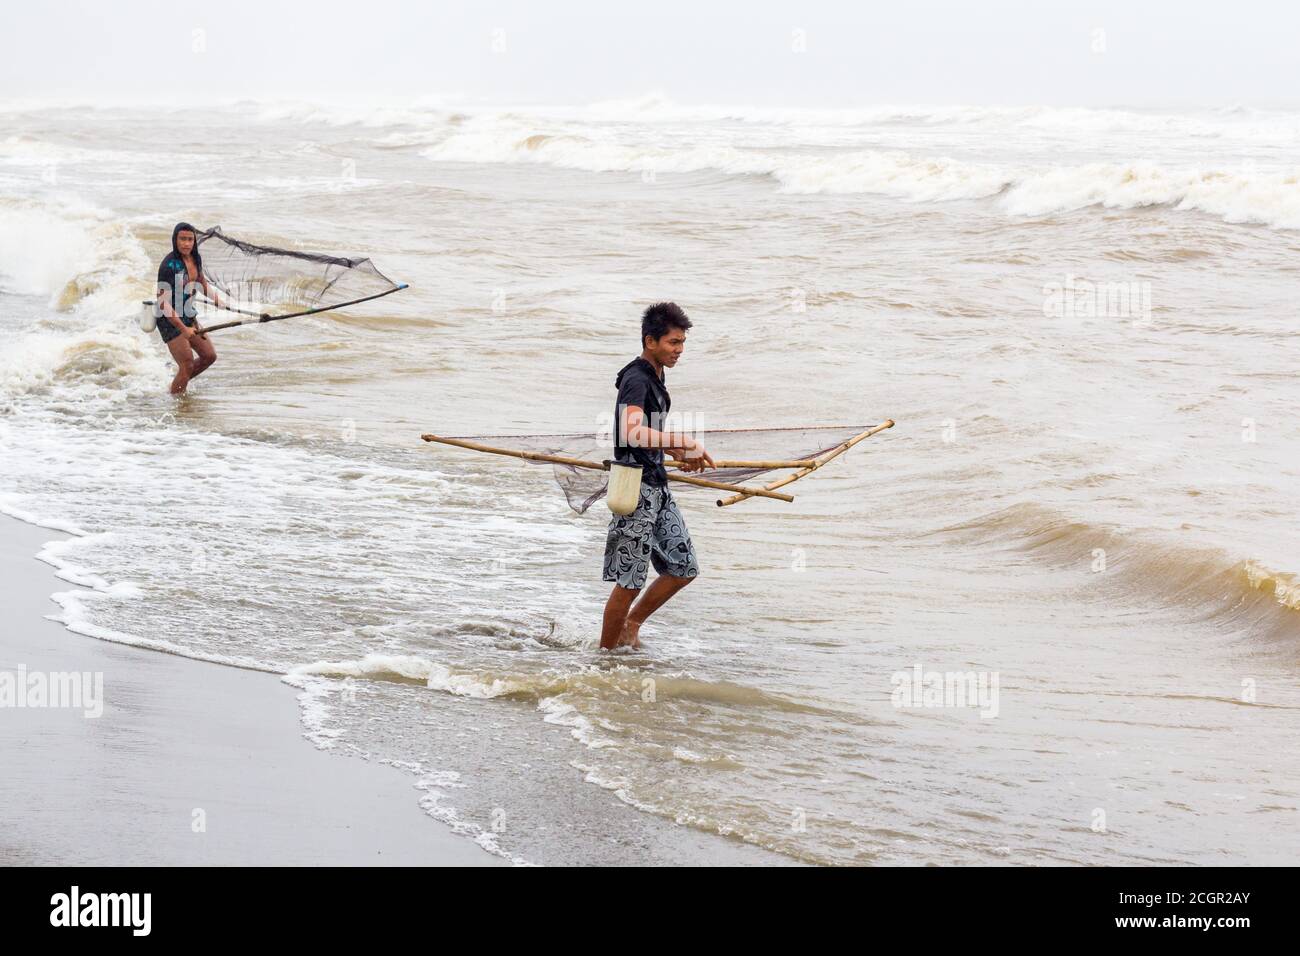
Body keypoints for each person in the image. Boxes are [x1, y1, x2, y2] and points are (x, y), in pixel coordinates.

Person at [600, 302, 714, 650]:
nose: (679, 351)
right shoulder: (636, 379)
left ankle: (630, 625)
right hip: (634, 490)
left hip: (657, 486)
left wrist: (673, 452)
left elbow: (644, 436)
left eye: (682, 343)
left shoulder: (656, 376)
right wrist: (682, 440)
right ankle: (604, 657)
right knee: (630, 580)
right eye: (673, 343)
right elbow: (631, 431)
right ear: (651, 341)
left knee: (683, 567)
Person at [156, 222, 219, 395]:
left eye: (190, 239)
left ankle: (176, 385)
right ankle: (177, 403)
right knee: (187, 364)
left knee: (209, 356)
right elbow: (162, 303)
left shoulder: (195, 258)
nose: (186, 243)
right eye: (182, 239)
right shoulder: (168, 266)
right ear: (175, 240)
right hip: (168, 319)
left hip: (188, 314)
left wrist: (218, 300)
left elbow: (201, 282)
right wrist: (183, 329)